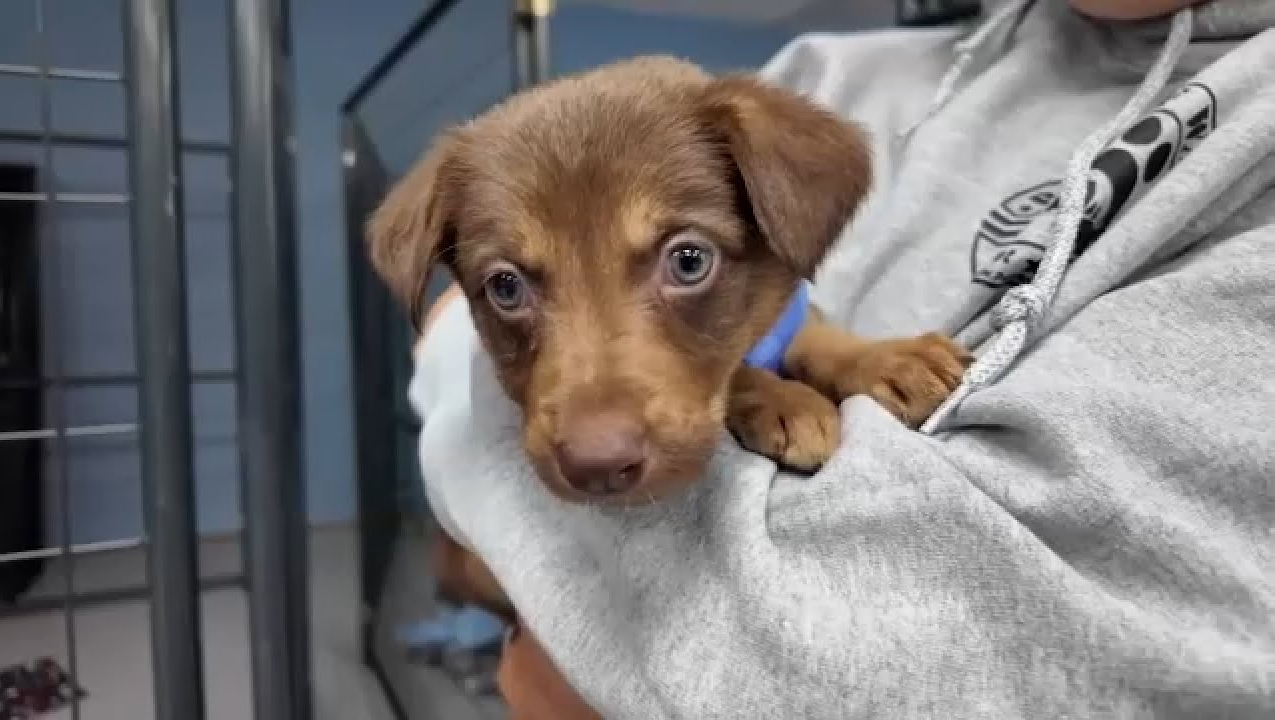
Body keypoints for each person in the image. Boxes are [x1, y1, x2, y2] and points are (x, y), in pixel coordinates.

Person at [408, 0, 1275, 716]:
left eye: (684, 261)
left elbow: (837, 657)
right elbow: (784, 312)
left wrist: (465, 403)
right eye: (511, 289)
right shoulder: (822, 76)